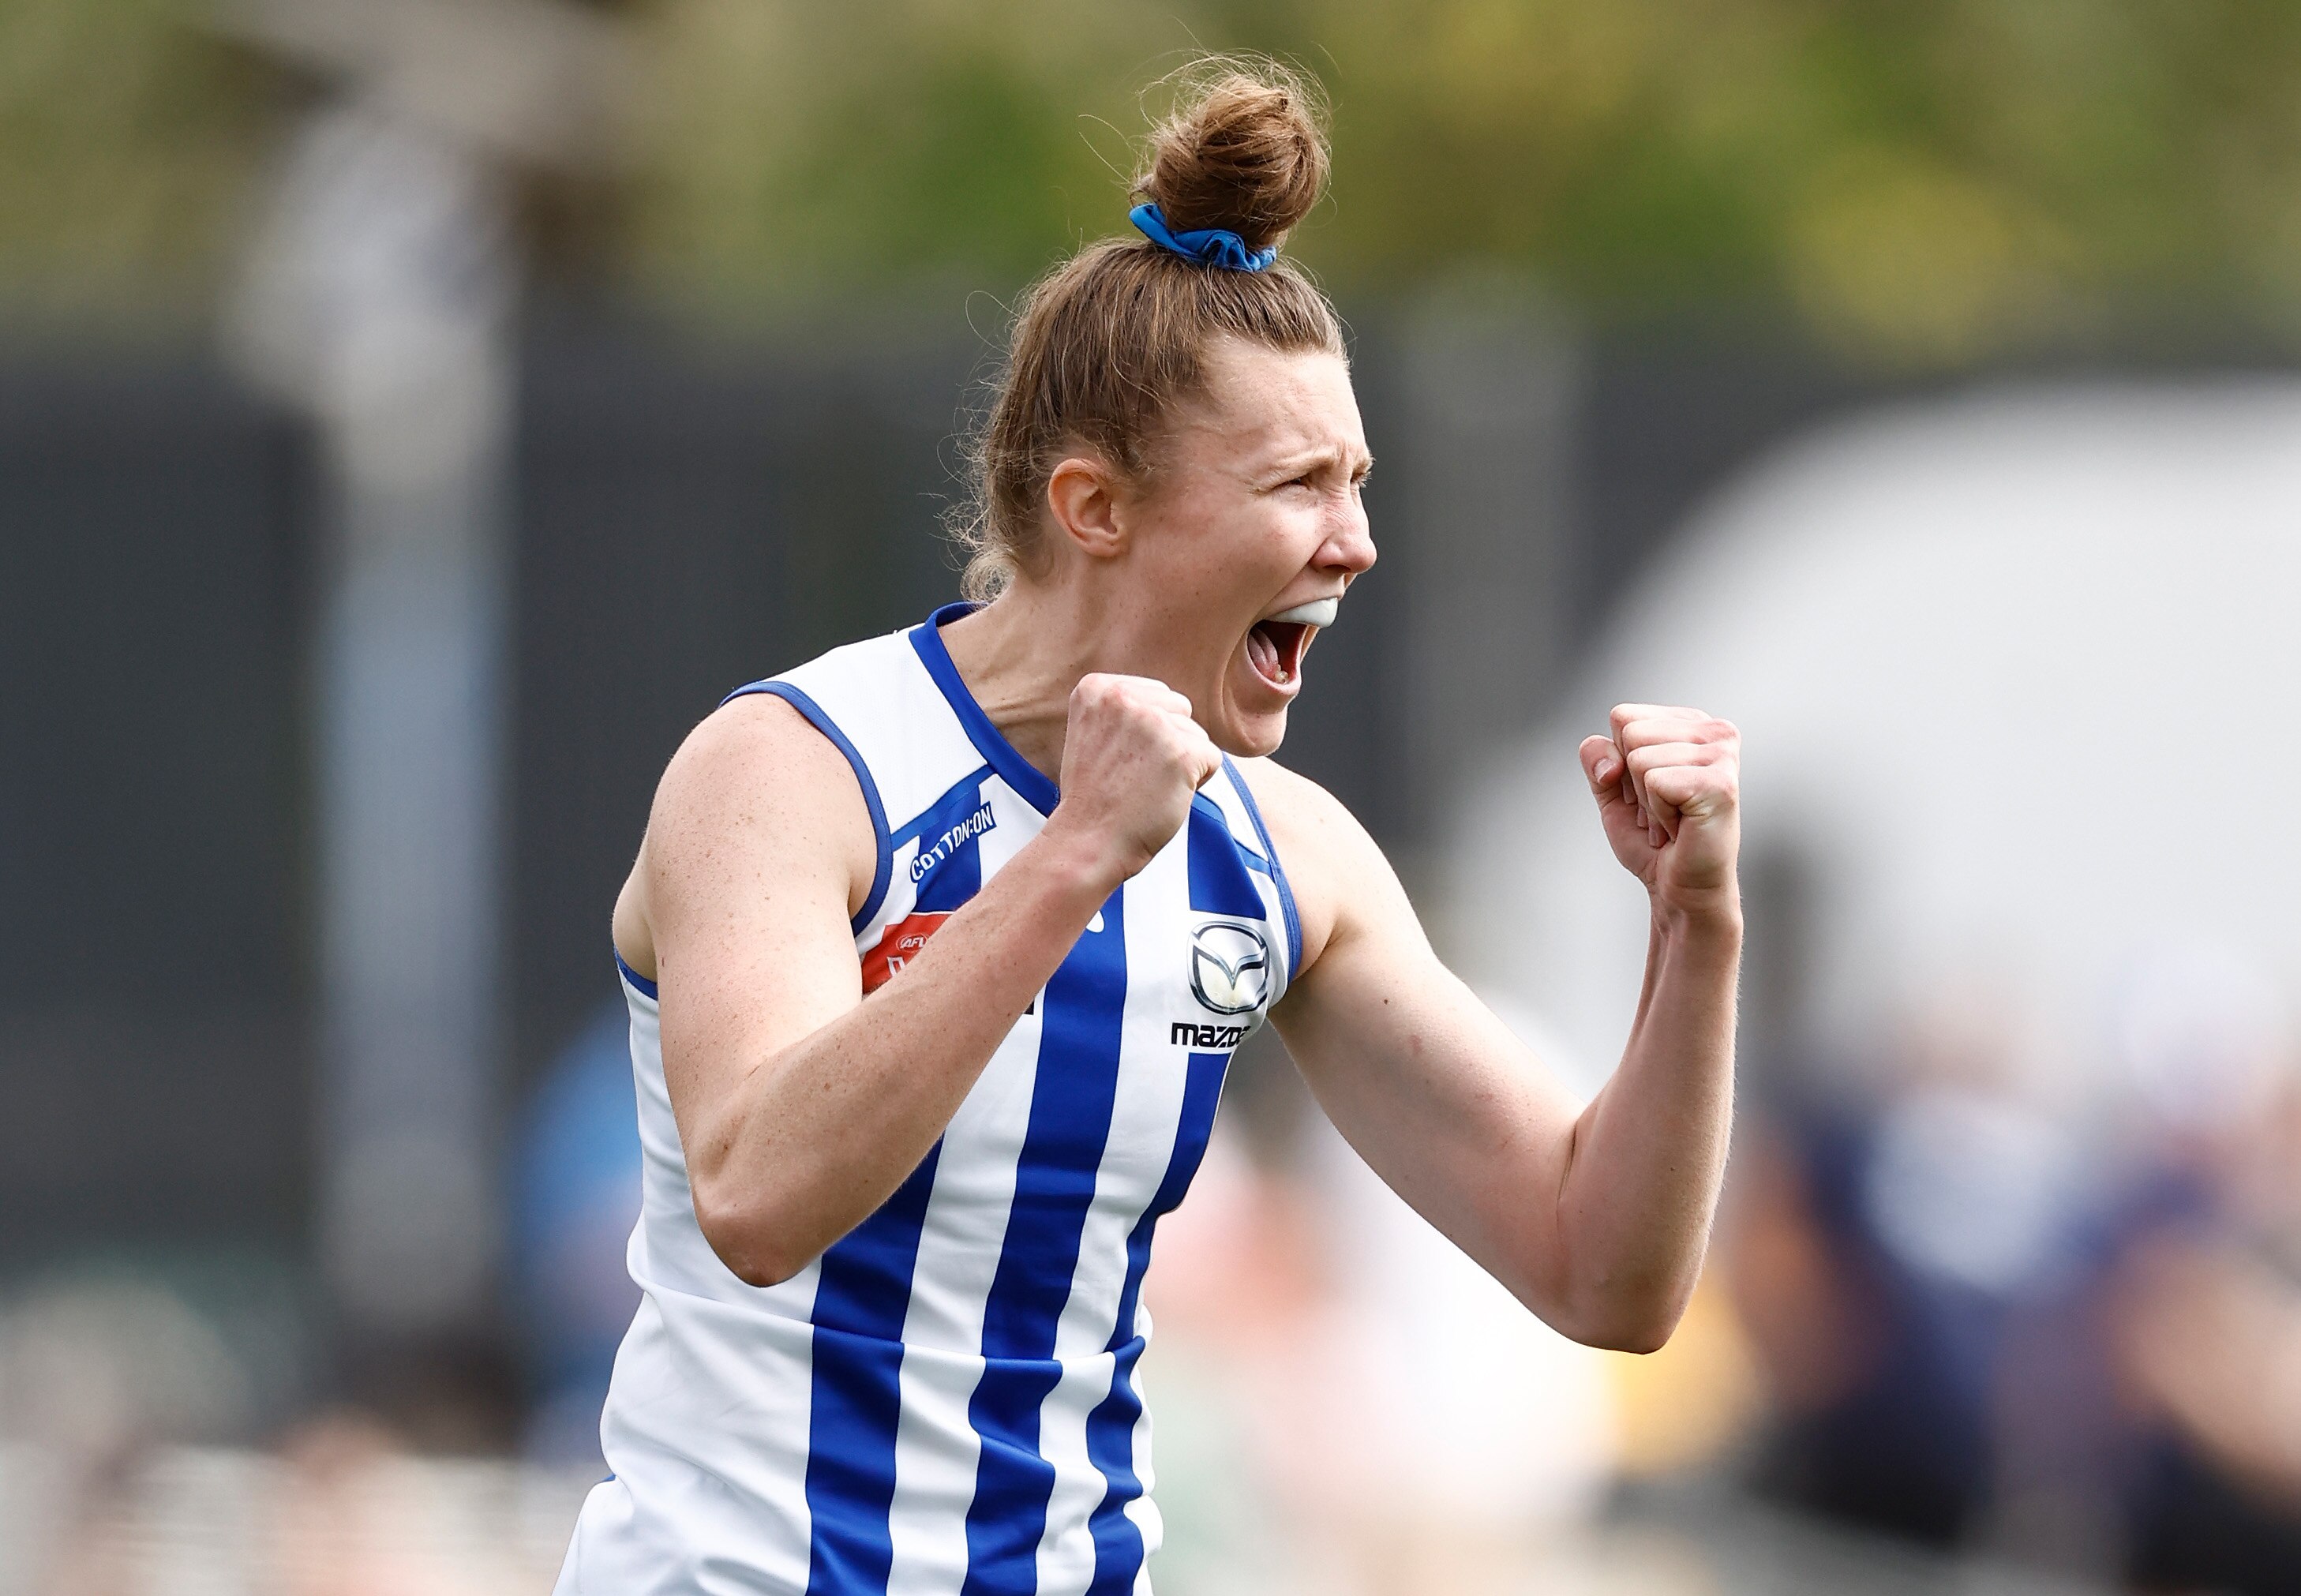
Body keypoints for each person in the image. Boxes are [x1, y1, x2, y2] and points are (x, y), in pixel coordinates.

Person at [555, 60, 1742, 1596]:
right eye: (1297, 484)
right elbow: (757, 1197)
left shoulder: (1283, 854)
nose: (1357, 542)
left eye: (1360, 482)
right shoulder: (791, 768)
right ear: (1093, 509)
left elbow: (1602, 1271)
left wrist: (1695, 927)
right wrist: (1068, 863)